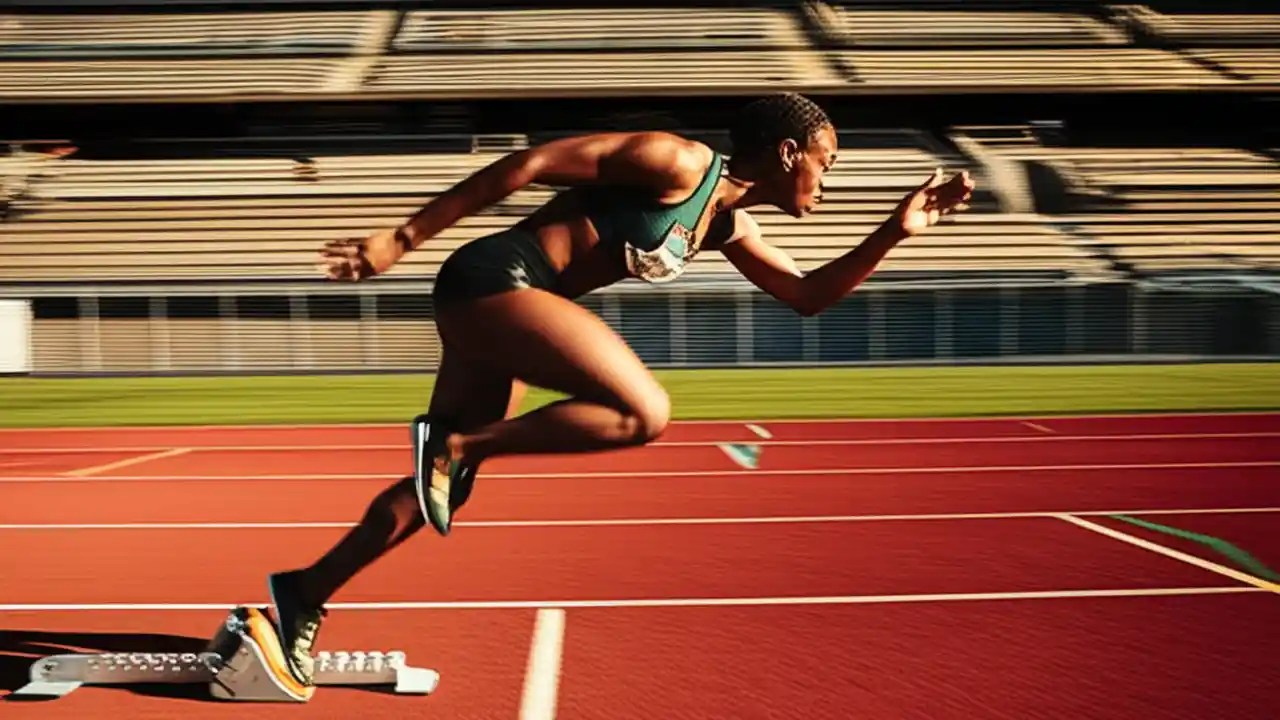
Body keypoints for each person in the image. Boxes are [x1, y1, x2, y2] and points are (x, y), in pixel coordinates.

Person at [265, 93, 974, 685]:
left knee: (442, 488)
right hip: (494, 280)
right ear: (789, 153)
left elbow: (807, 294)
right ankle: (457, 445)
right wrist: (401, 238)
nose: (829, 181)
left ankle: (303, 591)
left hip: (511, 305)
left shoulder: (727, 223)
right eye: (828, 163)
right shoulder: (679, 162)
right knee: (643, 411)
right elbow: (528, 164)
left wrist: (896, 231)